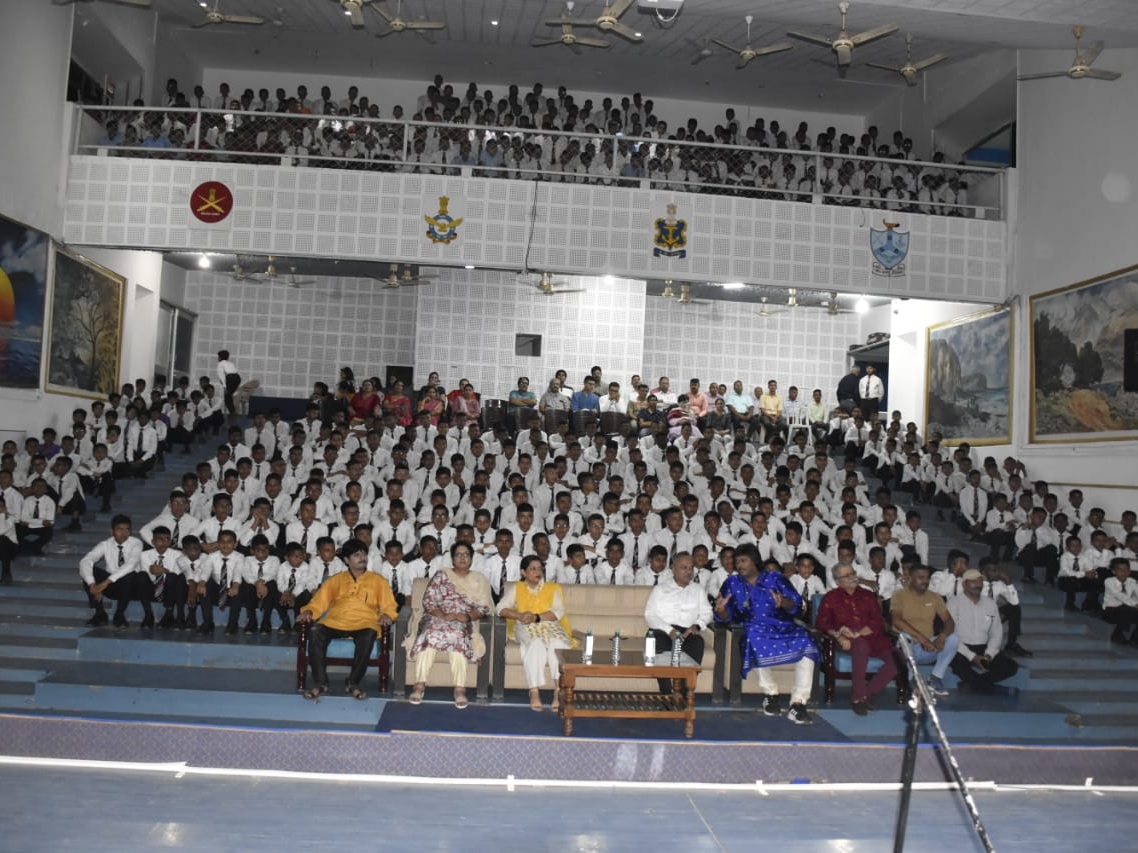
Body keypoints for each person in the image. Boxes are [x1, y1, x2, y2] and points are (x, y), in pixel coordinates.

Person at [713, 544, 818, 724]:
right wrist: (721, 611)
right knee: (752, 636)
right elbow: (725, 616)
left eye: (743, 560)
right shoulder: (732, 583)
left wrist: (783, 602)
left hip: (781, 626)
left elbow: (796, 603)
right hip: (753, 628)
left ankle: (798, 703)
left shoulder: (774, 578)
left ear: (754, 561)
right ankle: (770, 694)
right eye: (737, 562)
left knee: (807, 640)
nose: (739, 565)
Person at [299, 538, 397, 701]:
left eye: (364, 554)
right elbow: (318, 602)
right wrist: (309, 611)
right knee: (315, 631)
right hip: (335, 621)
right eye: (357, 555)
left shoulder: (378, 581)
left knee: (369, 634)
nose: (362, 558)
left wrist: (387, 615)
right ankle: (321, 683)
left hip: (364, 622)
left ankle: (353, 682)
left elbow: (389, 606)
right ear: (346, 560)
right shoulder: (335, 580)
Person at [406, 541, 493, 709]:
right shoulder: (442, 575)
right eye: (458, 555)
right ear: (452, 559)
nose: (462, 558)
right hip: (437, 616)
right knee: (430, 633)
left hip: (463, 619)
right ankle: (419, 685)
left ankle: (460, 688)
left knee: (458, 634)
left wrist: (467, 617)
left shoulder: (479, 579)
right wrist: (443, 616)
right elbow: (428, 601)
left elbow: (484, 606)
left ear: (471, 559)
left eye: (466, 554)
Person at [816, 563, 900, 714]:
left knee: (898, 659)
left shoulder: (867, 595)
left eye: (853, 573)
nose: (852, 577)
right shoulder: (830, 598)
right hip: (847, 642)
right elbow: (822, 623)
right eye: (847, 575)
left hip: (873, 638)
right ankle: (858, 698)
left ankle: (865, 693)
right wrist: (838, 635)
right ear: (838, 581)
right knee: (861, 645)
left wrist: (860, 632)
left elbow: (878, 620)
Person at [497, 554, 576, 711]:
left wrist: (537, 617)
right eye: (533, 569)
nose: (537, 572)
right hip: (525, 625)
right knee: (536, 644)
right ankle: (534, 691)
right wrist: (519, 615)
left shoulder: (553, 588)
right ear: (524, 572)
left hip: (549, 624)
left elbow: (558, 612)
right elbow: (500, 609)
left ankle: (558, 690)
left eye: (540, 568)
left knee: (558, 645)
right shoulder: (517, 588)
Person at [644, 551, 713, 693]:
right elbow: (650, 615)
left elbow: (708, 613)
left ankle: (683, 692)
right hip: (663, 631)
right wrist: (669, 630)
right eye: (684, 567)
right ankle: (666, 692)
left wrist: (697, 625)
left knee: (697, 643)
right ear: (673, 569)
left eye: (691, 567)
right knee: (654, 641)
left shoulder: (698, 590)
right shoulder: (660, 589)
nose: (689, 571)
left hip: (687, 632)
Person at [889, 564, 959, 696]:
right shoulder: (899, 595)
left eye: (927, 578)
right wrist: (921, 638)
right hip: (906, 648)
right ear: (910, 578)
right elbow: (896, 620)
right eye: (921, 577)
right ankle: (910, 679)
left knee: (953, 638)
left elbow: (949, 621)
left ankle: (935, 678)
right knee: (905, 637)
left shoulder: (934, 597)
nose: (925, 581)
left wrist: (942, 636)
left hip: (928, 647)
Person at [946, 568, 1019, 693]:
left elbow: (996, 633)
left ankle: (975, 684)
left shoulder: (990, 604)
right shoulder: (953, 604)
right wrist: (973, 657)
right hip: (960, 648)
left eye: (980, 581)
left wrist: (988, 655)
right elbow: (950, 634)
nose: (978, 585)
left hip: (983, 648)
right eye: (973, 581)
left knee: (1010, 666)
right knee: (958, 664)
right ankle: (988, 687)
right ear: (964, 584)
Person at [216, 349, 241, 416]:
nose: (217, 358)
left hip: (230, 378)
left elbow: (221, 375)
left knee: (227, 396)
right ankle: (233, 411)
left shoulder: (220, 363)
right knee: (229, 396)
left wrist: (224, 386)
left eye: (218, 357)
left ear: (220, 357)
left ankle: (232, 412)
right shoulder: (230, 363)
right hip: (237, 378)